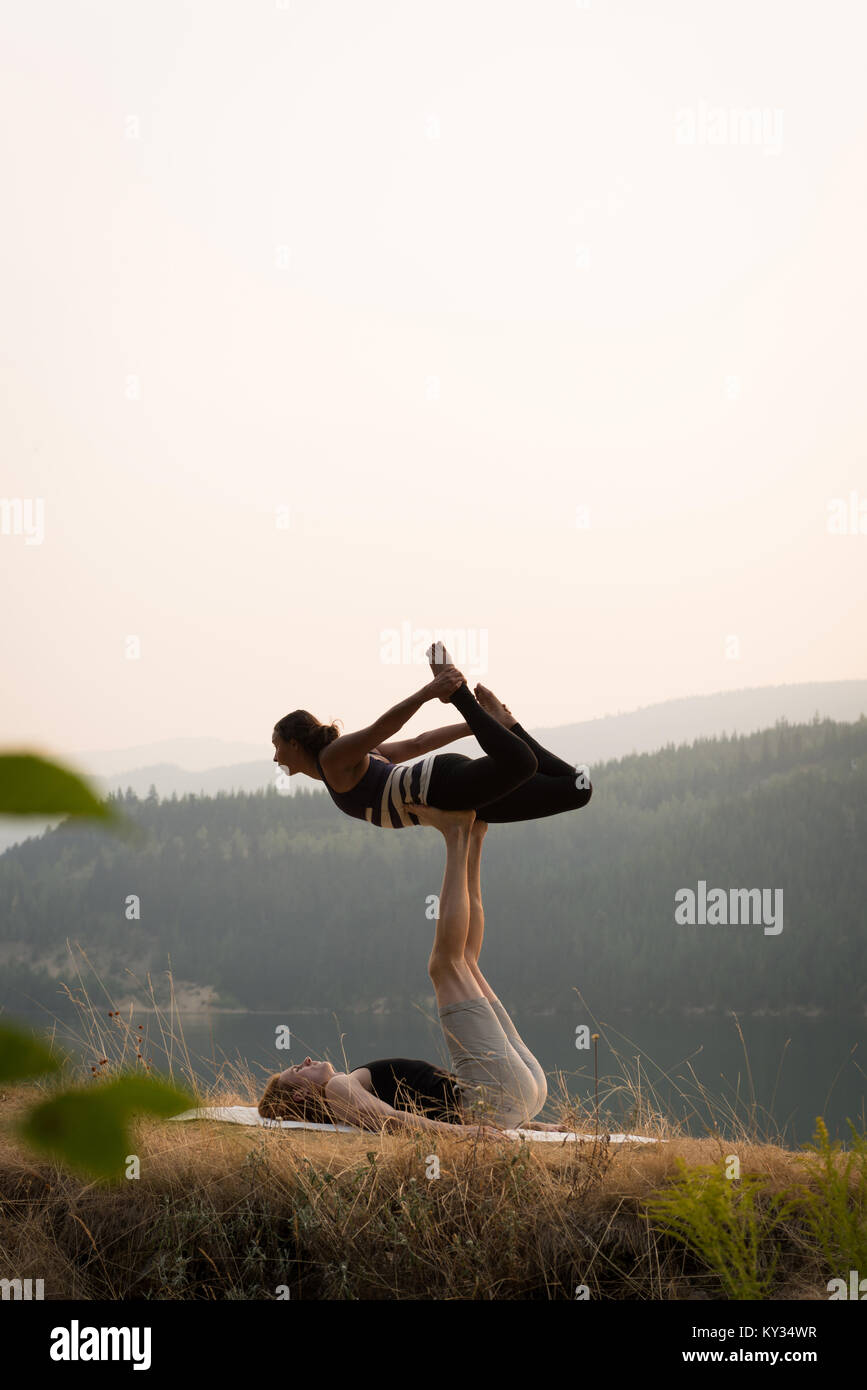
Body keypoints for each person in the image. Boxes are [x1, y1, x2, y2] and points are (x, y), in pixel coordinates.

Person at [258, 804, 561, 1135]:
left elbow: (419, 1112)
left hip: (512, 1096)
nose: (304, 1062)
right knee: (445, 964)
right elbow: (388, 1120)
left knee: (464, 961)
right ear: (302, 1094)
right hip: (496, 1096)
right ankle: (456, 834)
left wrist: (530, 1125)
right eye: (296, 1071)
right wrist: (466, 1134)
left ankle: (474, 836)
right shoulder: (338, 1089)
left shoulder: (348, 1089)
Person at [272, 644, 592, 829]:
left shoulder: (332, 759)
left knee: (523, 762)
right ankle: (505, 724)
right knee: (578, 789)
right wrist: (476, 727)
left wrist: (429, 692)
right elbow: (418, 743)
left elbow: (383, 728)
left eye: (277, 747)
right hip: (454, 800)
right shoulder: (343, 763)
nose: (275, 757)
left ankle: (459, 694)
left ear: (294, 743)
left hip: (443, 785)